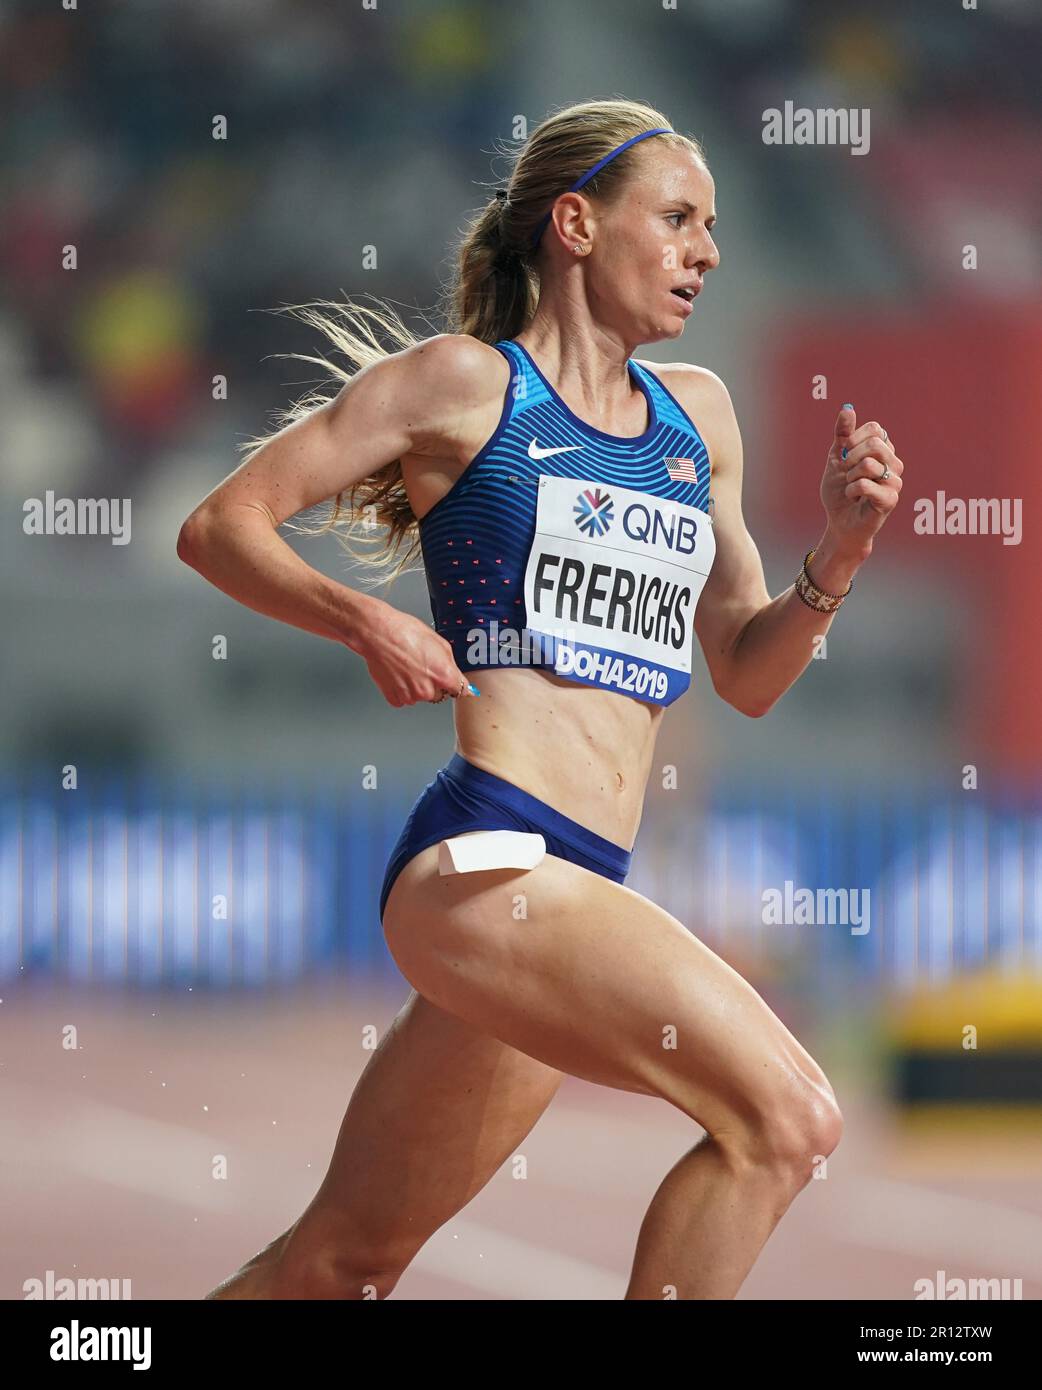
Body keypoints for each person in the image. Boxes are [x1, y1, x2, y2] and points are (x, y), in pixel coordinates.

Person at [179, 98, 904, 1300]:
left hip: (580, 890)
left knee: (341, 1265)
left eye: (713, 227)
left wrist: (837, 554)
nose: (706, 252)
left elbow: (747, 672)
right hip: (488, 862)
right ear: (574, 224)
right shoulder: (467, 386)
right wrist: (366, 618)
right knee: (787, 1120)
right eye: (676, 219)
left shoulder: (698, 418)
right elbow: (220, 526)